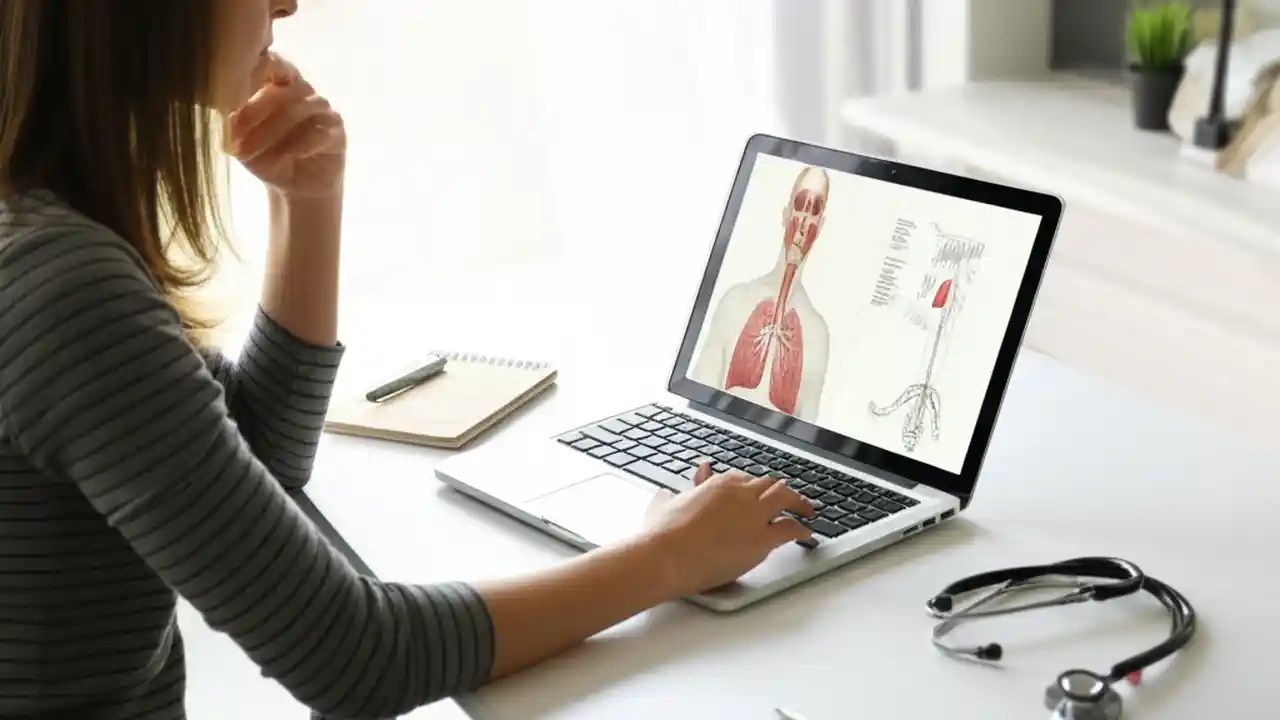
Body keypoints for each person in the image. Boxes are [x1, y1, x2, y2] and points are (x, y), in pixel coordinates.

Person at [0, 1, 815, 718]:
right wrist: (669, 556)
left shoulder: (41, 231)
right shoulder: (64, 287)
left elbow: (259, 466)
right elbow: (355, 659)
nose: (288, 5)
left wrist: (308, 201)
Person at [691, 166, 831, 421]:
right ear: (785, 214)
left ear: (820, 226)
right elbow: (700, 400)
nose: (802, 224)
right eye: (799, 206)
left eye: (813, 211)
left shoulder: (816, 333)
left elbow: (806, 425)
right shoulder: (736, 301)